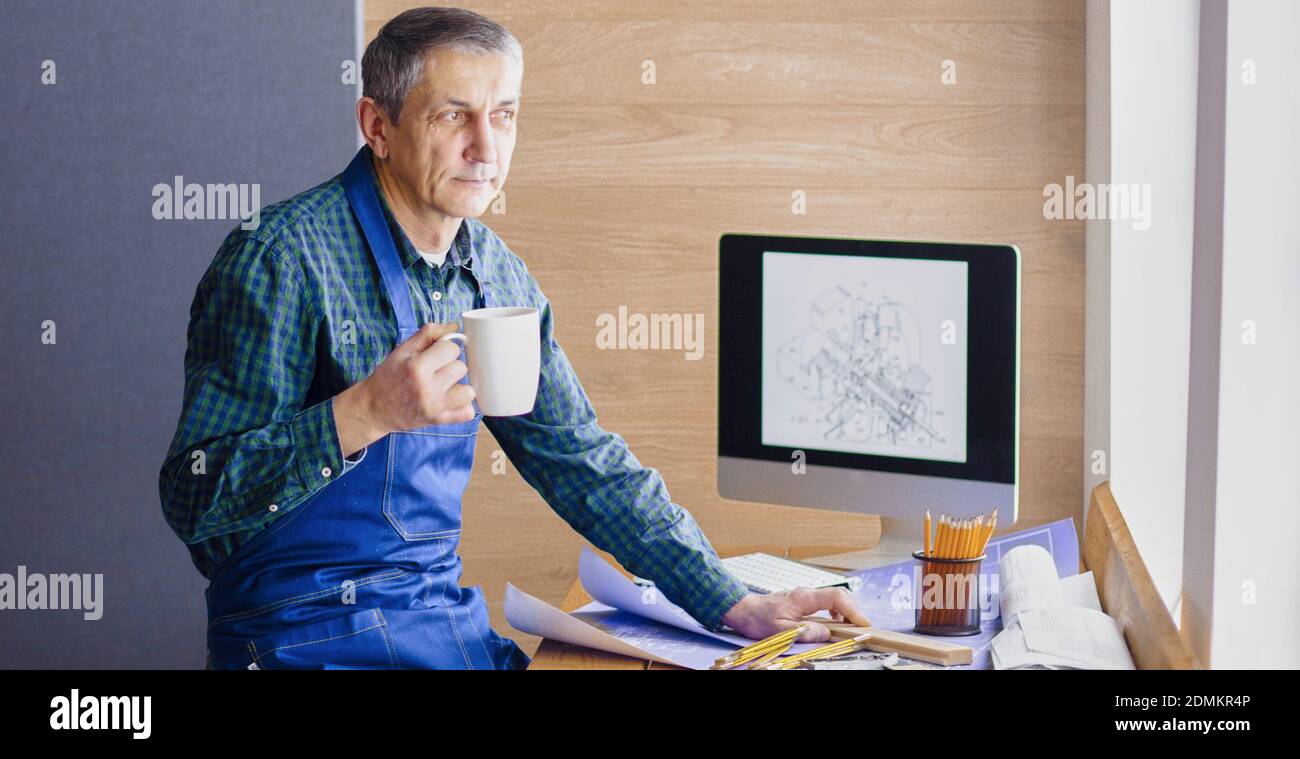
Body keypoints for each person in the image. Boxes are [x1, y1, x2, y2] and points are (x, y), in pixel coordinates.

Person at [159, 6, 869, 670]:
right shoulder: (281, 257)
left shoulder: (493, 271)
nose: (485, 148)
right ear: (377, 126)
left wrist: (729, 599)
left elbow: (581, 460)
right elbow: (193, 499)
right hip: (300, 635)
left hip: (435, 620)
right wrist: (361, 414)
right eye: (453, 116)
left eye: (504, 116)